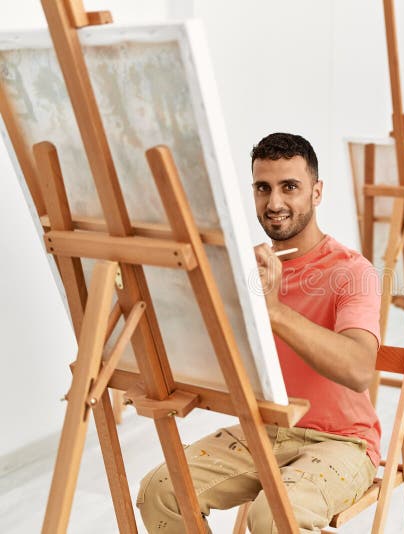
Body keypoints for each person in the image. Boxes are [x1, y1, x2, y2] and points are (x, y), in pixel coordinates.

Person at [137, 133, 382, 533]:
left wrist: (274, 310)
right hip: (264, 428)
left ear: (316, 193)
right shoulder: (245, 267)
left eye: (290, 187)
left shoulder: (352, 271)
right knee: (160, 491)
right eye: (263, 188)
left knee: (272, 516)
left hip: (342, 442)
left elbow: (358, 369)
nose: (275, 203)